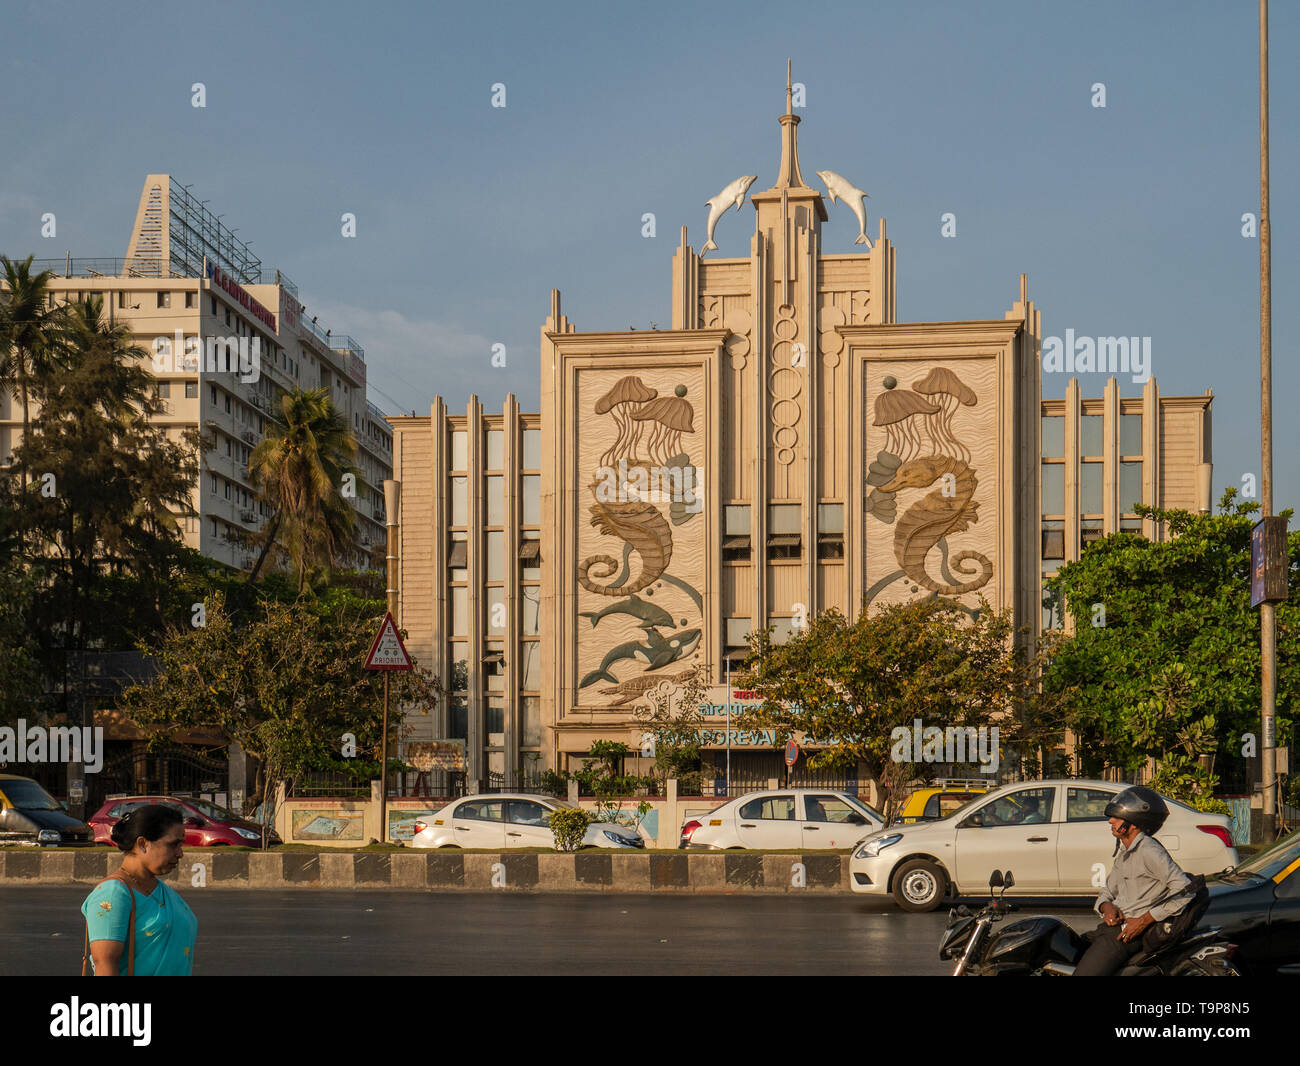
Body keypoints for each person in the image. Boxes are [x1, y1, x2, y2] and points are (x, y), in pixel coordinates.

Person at [1073, 786, 1193, 976]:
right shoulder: (1125, 852)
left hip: (1126, 936)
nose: (1110, 821)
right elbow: (1107, 890)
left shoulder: (1149, 850)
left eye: (1116, 818)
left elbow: (1185, 889)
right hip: (1110, 929)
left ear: (1134, 823)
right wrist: (1106, 906)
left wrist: (1144, 921)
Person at [81, 804, 198, 976]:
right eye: (173, 845)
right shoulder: (113, 894)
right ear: (143, 844)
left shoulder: (162, 891)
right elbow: (105, 965)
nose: (180, 853)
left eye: (181, 845)